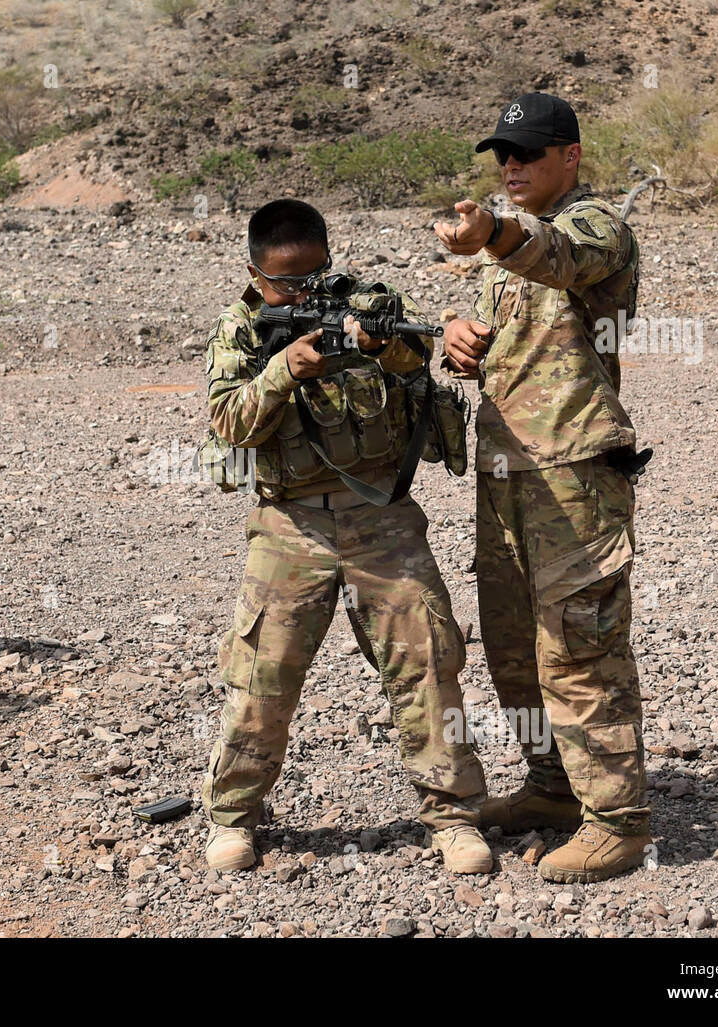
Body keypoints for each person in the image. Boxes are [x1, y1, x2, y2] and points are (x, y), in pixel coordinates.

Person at [197, 198, 491, 876]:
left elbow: (424, 365)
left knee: (428, 665)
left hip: (381, 518)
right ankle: (234, 816)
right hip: (289, 524)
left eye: (314, 277)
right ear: (255, 273)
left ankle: (452, 815)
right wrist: (284, 372)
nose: (302, 294)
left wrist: (382, 345)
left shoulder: (369, 301)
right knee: (261, 675)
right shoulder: (240, 328)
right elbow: (229, 423)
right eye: (285, 284)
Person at [433, 93, 651, 882]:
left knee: (580, 651)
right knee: (516, 652)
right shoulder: (505, 246)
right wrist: (458, 337)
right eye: (503, 156)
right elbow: (498, 337)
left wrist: (490, 232)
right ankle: (555, 789)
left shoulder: (597, 226)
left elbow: (556, 257)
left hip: (575, 475)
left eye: (528, 153)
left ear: (572, 156)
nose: (512, 167)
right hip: (505, 472)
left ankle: (618, 821)